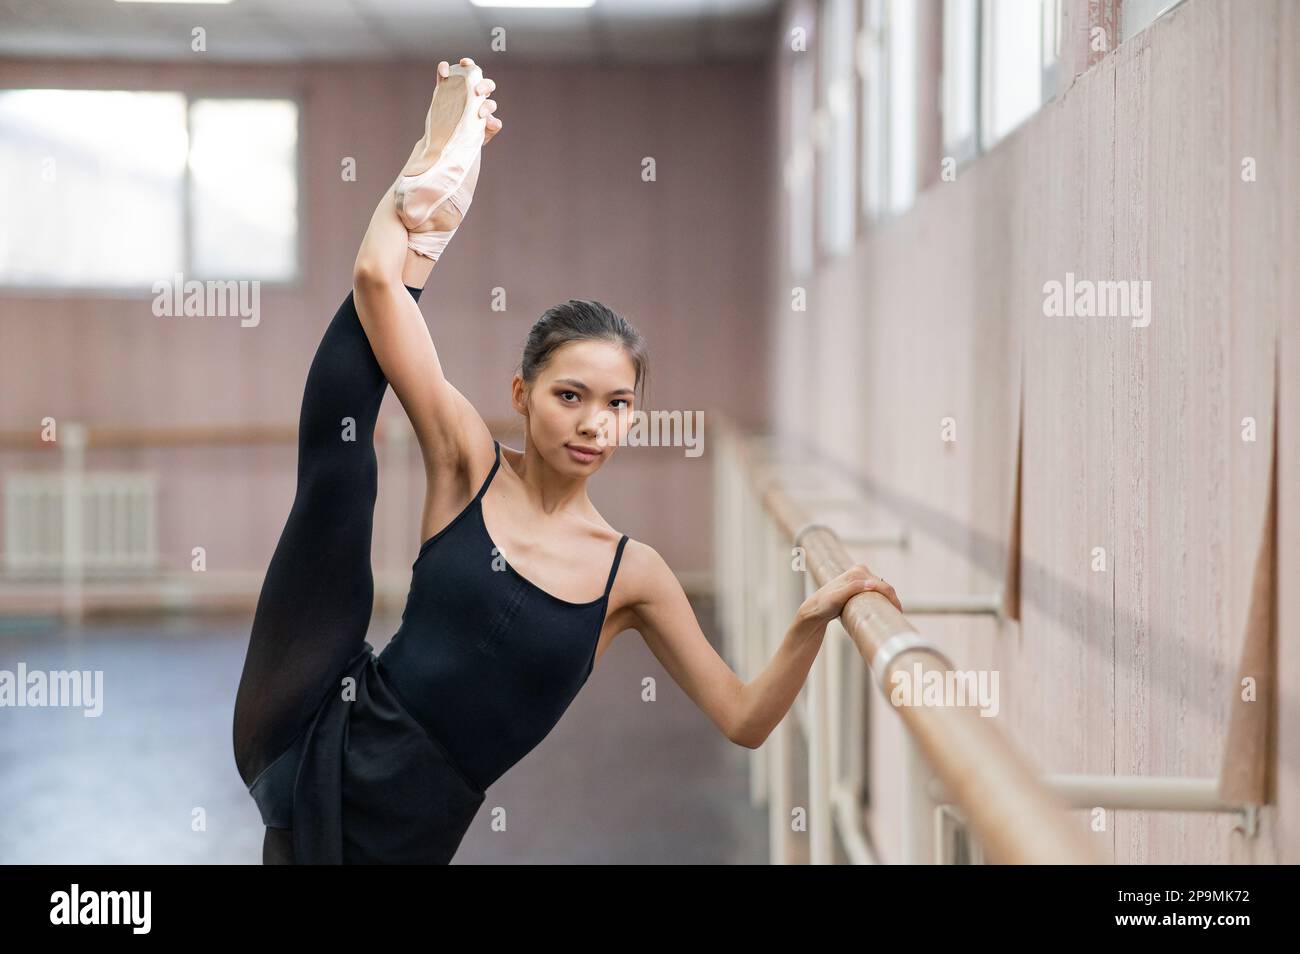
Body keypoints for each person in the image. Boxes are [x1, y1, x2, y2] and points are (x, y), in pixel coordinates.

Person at [231, 57, 901, 864]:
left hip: (409, 832)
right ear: (522, 393)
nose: (593, 424)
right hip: (313, 724)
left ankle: (427, 211)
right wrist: (427, 163)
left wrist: (808, 622)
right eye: (570, 396)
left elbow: (745, 718)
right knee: (340, 462)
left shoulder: (633, 576)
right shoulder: (468, 463)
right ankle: (429, 207)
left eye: (617, 405)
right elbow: (374, 281)